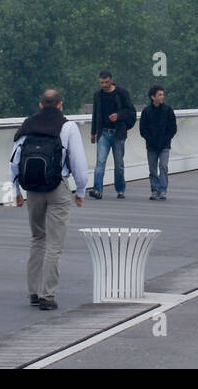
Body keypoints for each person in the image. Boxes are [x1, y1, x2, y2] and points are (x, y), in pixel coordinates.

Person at [10, 89, 88, 310]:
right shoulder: (68, 127)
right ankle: (47, 295)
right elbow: (79, 163)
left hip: (32, 188)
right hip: (57, 187)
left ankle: (34, 291)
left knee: (38, 239)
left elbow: (14, 160)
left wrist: (15, 191)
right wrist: (80, 192)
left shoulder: (28, 125)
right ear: (61, 105)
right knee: (54, 244)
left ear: (40, 104)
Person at [89, 71, 136, 199]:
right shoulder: (97, 95)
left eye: (106, 82)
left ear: (111, 80)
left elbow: (130, 111)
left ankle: (120, 189)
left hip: (118, 133)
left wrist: (118, 115)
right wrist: (93, 132)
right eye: (102, 83)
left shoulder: (121, 93)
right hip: (103, 132)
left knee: (119, 163)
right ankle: (97, 190)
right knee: (100, 162)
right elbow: (95, 114)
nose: (104, 85)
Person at [139, 85, 177, 201]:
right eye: (159, 95)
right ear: (153, 97)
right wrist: (150, 139)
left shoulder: (168, 110)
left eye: (162, 94)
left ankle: (163, 190)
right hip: (151, 145)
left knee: (163, 166)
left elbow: (173, 128)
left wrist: (167, 139)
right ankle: (154, 189)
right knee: (152, 169)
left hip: (165, 144)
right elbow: (143, 129)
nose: (162, 97)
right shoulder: (146, 111)